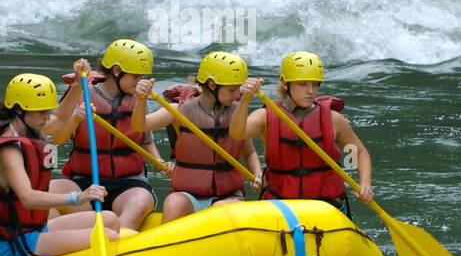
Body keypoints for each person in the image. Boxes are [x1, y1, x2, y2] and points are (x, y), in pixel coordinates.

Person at [0, 73, 121, 256]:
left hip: (36, 229)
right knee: (110, 237)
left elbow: (59, 118)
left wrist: (76, 84)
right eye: (41, 112)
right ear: (19, 110)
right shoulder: (8, 150)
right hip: (15, 245)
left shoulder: (30, 128)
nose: (46, 117)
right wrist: (78, 197)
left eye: (46, 111)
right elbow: (27, 198)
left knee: (111, 220)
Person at [229, 51, 374, 217]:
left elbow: (357, 152)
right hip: (281, 206)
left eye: (315, 84)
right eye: (303, 84)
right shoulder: (267, 117)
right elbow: (237, 133)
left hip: (324, 206)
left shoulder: (333, 120)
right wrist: (245, 99)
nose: (310, 91)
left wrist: (365, 184)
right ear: (285, 84)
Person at [47, 40, 167, 231]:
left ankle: (118, 241)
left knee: (141, 200)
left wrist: (159, 161)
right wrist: (76, 119)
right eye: (136, 76)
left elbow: (146, 140)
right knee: (48, 191)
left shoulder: (138, 100)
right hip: (85, 183)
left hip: (129, 184)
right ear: (117, 71)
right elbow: (58, 139)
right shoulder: (84, 95)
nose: (140, 81)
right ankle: (59, 241)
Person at [131, 51, 262, 224]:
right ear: (212, 85)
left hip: (227, 196)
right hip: (189, 195)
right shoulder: (180, 110)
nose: (237, 94)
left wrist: (257, 173)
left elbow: (250, 153)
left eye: (239, 88)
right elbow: (140, 125)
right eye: (232, 89)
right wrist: (141, 100)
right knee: (173, 202)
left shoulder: (237, 113)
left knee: (220, 211)